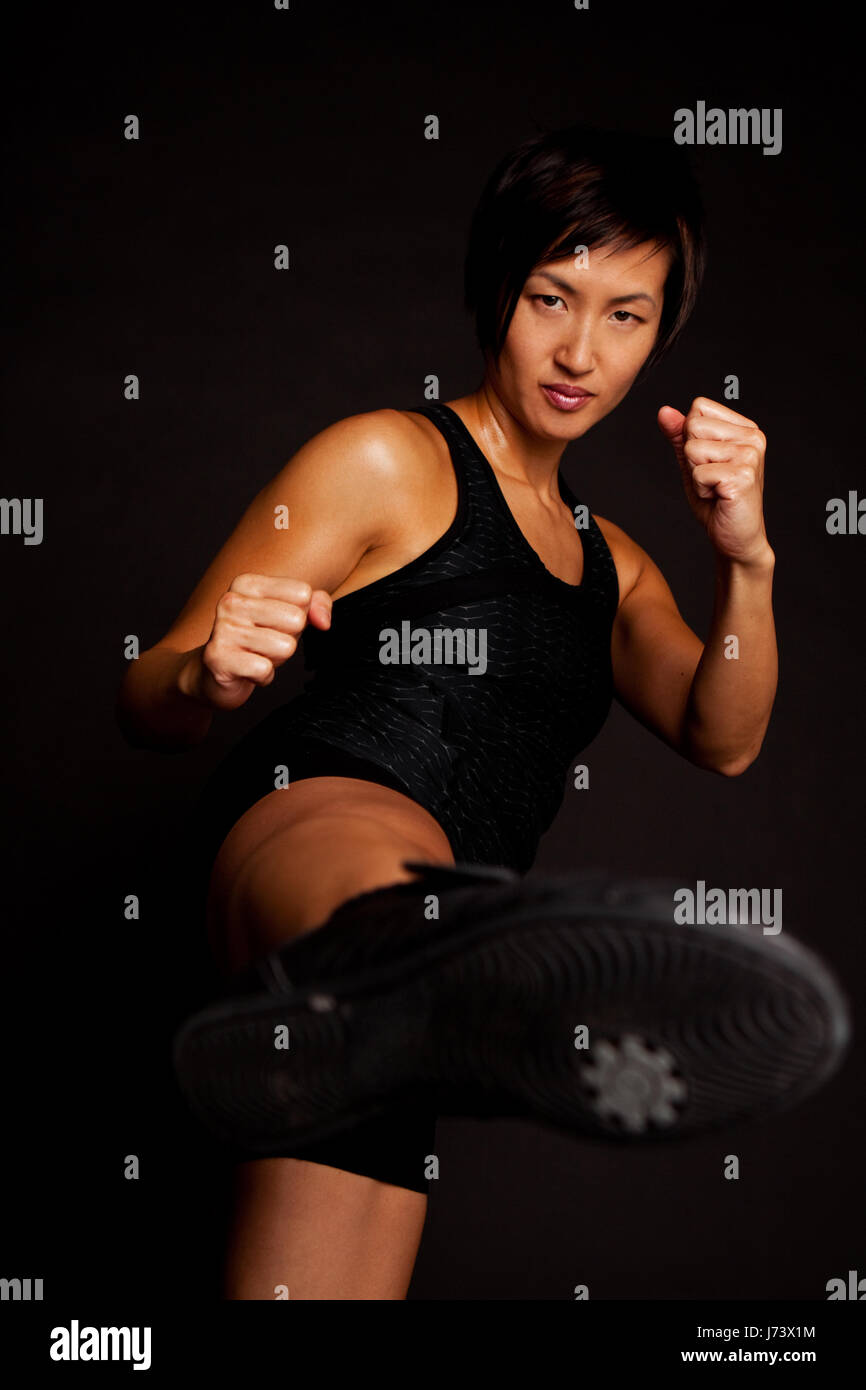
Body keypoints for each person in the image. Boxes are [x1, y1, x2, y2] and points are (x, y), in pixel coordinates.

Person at [115, 122, 847, 1300]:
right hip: (313, 832)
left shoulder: (616, 567)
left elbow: (725, 734)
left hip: (400, 996)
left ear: (659, 334)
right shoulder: (385, 459)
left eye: (626, 314)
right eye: (548, 296)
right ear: (493, 287)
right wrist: (203, 675)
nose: (579, 349)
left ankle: (423, 999)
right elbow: (149, 697)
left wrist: (749, 561)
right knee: (385, 888)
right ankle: (462, 969)